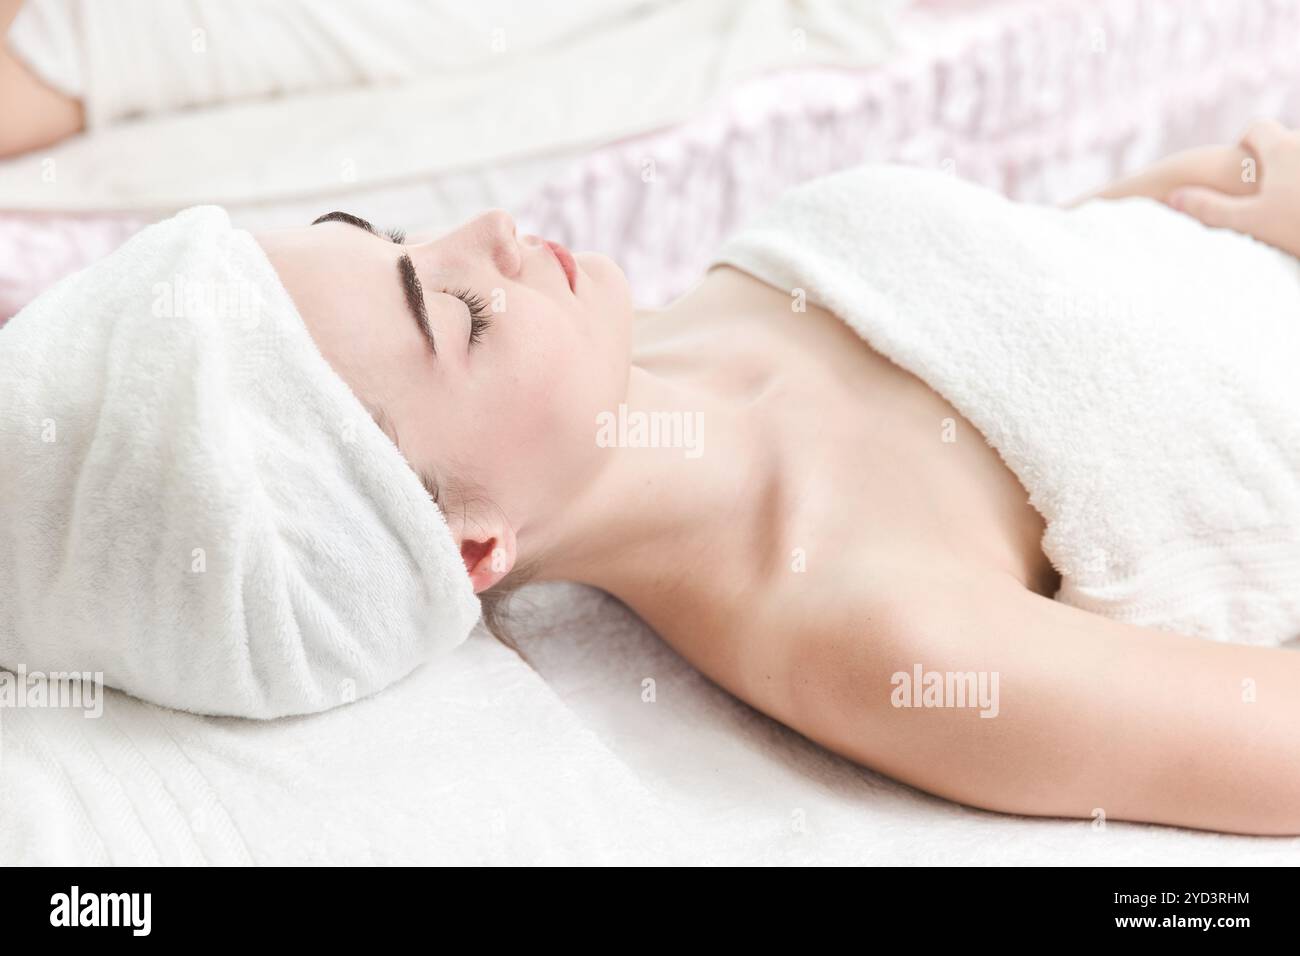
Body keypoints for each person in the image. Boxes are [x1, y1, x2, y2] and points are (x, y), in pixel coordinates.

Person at [5, 120, 1300, 834]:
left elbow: (1056, 279)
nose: (497, 232)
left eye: (404, 235)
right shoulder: (865, 625)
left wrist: (1209, 183)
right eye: (462, 316)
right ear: (470, 550)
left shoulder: (656, 330)